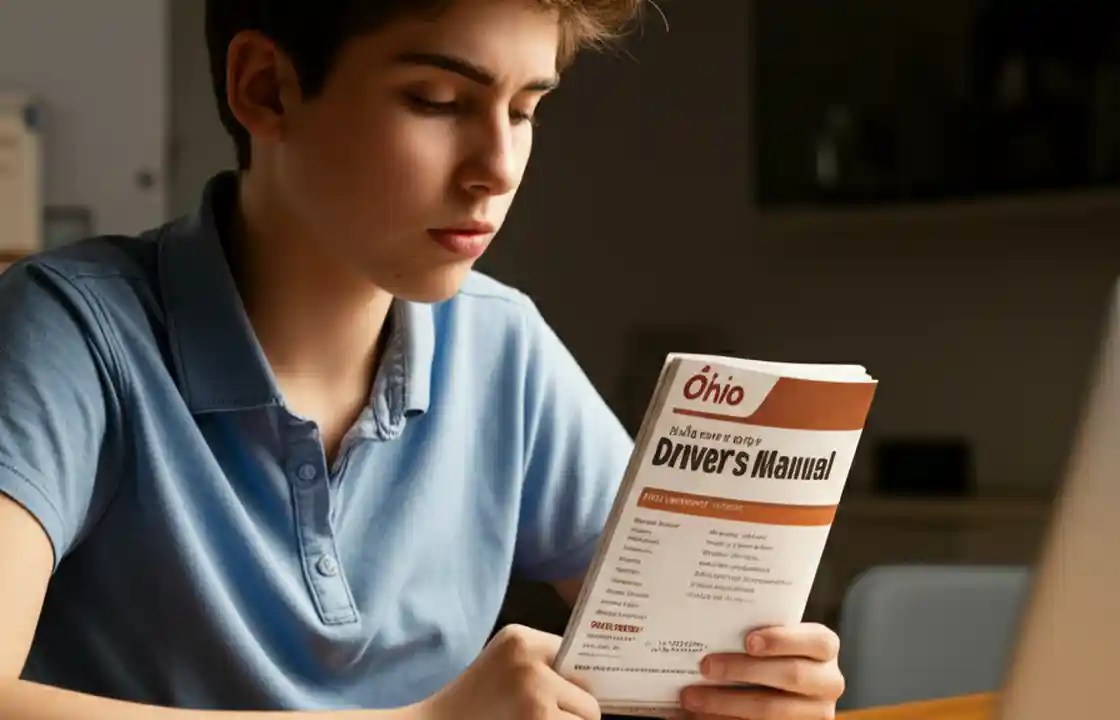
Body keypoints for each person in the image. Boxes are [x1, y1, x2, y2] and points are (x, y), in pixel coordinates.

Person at [0, 1, 845, 718]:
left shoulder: (502, 345)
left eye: (524, 112)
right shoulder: (73, 328)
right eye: (438, 100)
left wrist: (755, 684)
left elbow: (682, 657)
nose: (498, 169)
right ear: (265, 87)